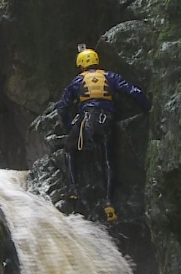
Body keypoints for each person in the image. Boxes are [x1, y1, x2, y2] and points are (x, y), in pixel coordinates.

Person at [55, 46, 150, 221]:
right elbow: (132, 91)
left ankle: (74, 188)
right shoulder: (110, 76)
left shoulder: (77, 81)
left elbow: (63, 107)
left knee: (69, 149)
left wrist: (69, 126)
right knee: (107, 159)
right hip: (107, 120)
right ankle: (108, 201)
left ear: (81, 64)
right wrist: (148, 107)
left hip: (87, 119)